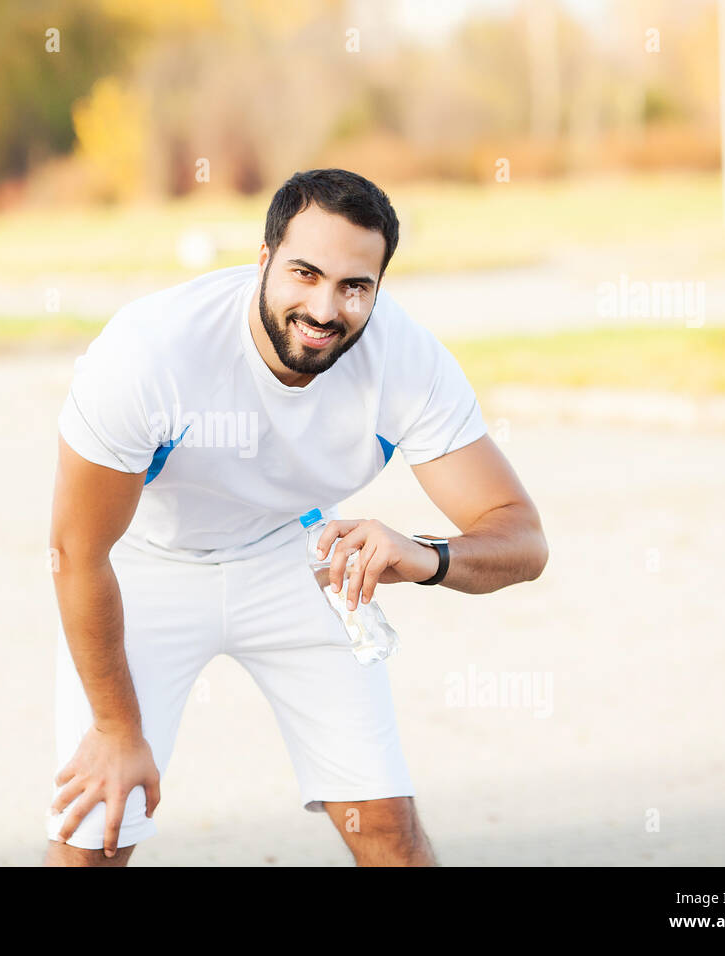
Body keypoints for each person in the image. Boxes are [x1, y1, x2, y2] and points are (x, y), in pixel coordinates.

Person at [44, 168, 548, 866]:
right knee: (97, 827)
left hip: (296, 555)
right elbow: (77, 554)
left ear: (377, 289)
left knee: (387, 831)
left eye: (354, 286)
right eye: (304, 274)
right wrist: (115, 727)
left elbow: (522, 537)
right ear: (263, 260)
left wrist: (425, 555)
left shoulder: (404, 359)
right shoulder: (149, 352)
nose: (324, 307)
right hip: (142, 566)